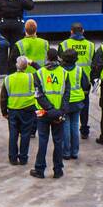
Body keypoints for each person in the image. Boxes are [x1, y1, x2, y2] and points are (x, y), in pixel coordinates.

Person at [31, 48, 70, 179]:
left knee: (43, 140)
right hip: (58, 114)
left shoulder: (39, 73)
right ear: (57, 57)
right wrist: (59, 112)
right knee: (58, 142)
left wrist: (50, 110)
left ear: (47, 57)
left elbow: (38, 95)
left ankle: (39, 169)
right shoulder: (64, 73)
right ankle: (58, 170)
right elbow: (66, 95)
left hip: (43, 113)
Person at [58, 22, 93, 141]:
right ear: (83, 31)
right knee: (84, 106)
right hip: (84, 81)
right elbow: (95, 63)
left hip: (66, 80)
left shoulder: (64, 44)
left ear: (71, 32)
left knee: (66, 109)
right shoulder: (90, 45)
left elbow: (59, 63)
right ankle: (84, 130)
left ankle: (67, 140)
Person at [0, 56, 37, 166]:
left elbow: (3, 97)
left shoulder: (8, 79)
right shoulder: (31, 77)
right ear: (26, 67)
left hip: (13, 110)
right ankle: (23, 158)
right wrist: (32, 63)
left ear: (16, 65)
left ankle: (13, 158)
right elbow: (41, 72)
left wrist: (4, 112)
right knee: (26, 134)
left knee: (13, 134)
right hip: (28, 109)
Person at [58, 47, 90, 160]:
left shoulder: (60, 71)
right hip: (77, 102)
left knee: (65, 126)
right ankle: (74, 152)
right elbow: (86, 85)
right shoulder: (79, 70)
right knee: (75, 126)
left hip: (64, 102)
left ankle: (66, 152)